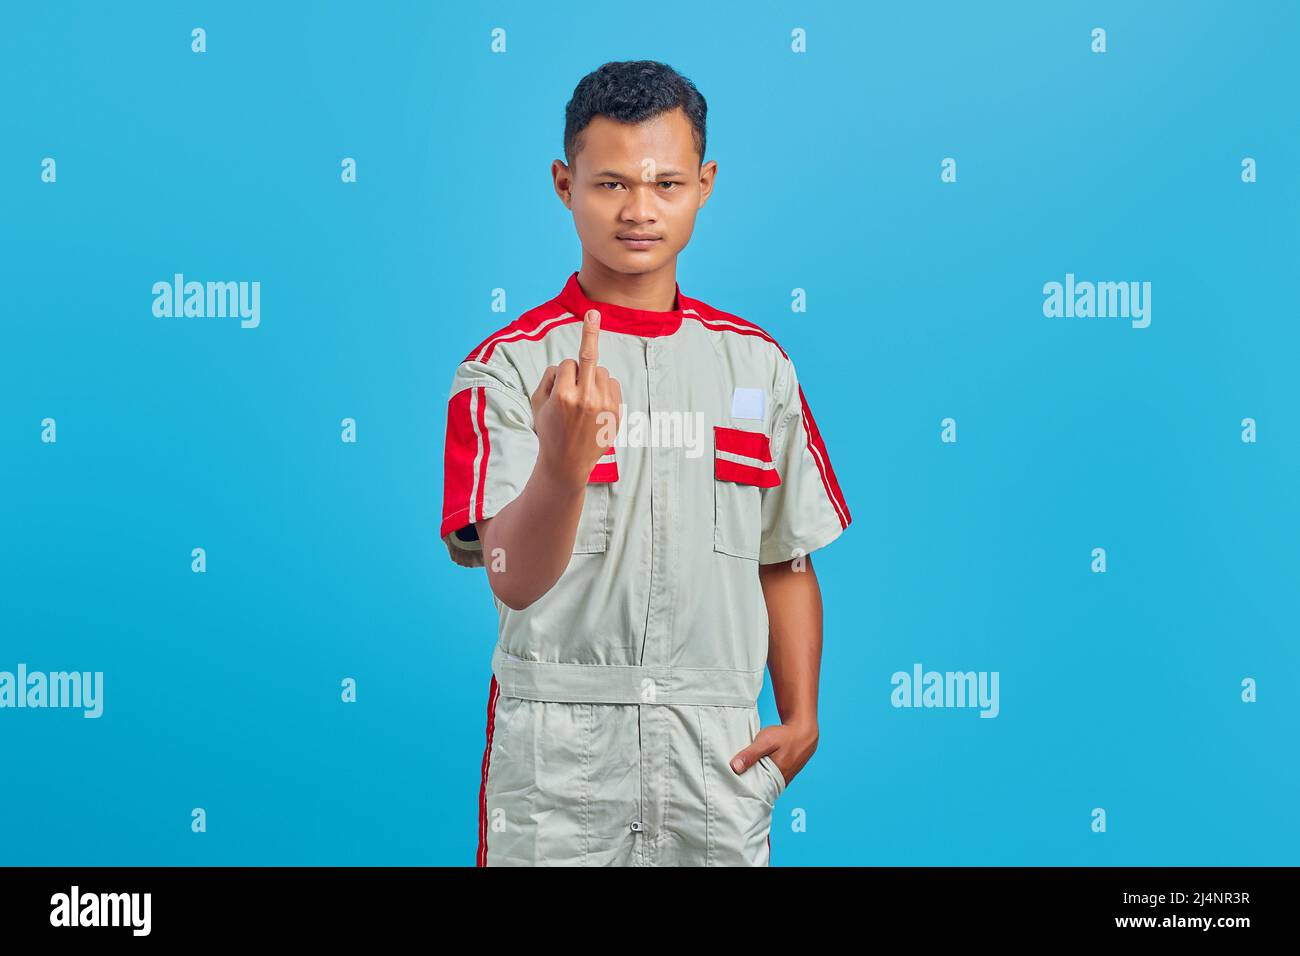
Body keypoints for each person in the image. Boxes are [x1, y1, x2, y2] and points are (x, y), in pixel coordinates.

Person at [439, 60, 851, 866]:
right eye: (611, 184)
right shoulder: (509, 369)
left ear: (705, 183)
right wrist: (560, 467)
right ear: (565, 184)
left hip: (715, 754)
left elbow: (787, 556)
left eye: (666, 183)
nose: (639, 210)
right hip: (559, 765)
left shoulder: (757, 365)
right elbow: (509, 575)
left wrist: (800, 713)